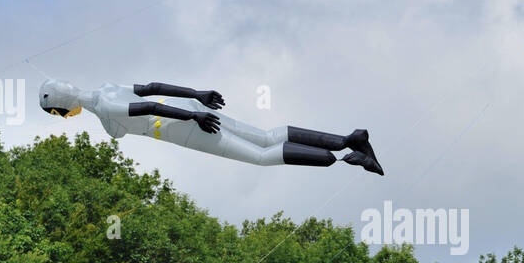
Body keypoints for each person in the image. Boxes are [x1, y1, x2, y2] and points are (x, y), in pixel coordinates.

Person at [38, 79, 383, 174]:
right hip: (188, 112)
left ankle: (344, 160)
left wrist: (193, 116)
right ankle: (348, 140)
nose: (61, 117)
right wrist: (196, 96)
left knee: (262, 156)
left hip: (181, 126)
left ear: (64, 105)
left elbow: (149, 105)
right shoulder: (106, 88)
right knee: (266, 136)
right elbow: (152, 87)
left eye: (57, 113)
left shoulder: (107, 106)